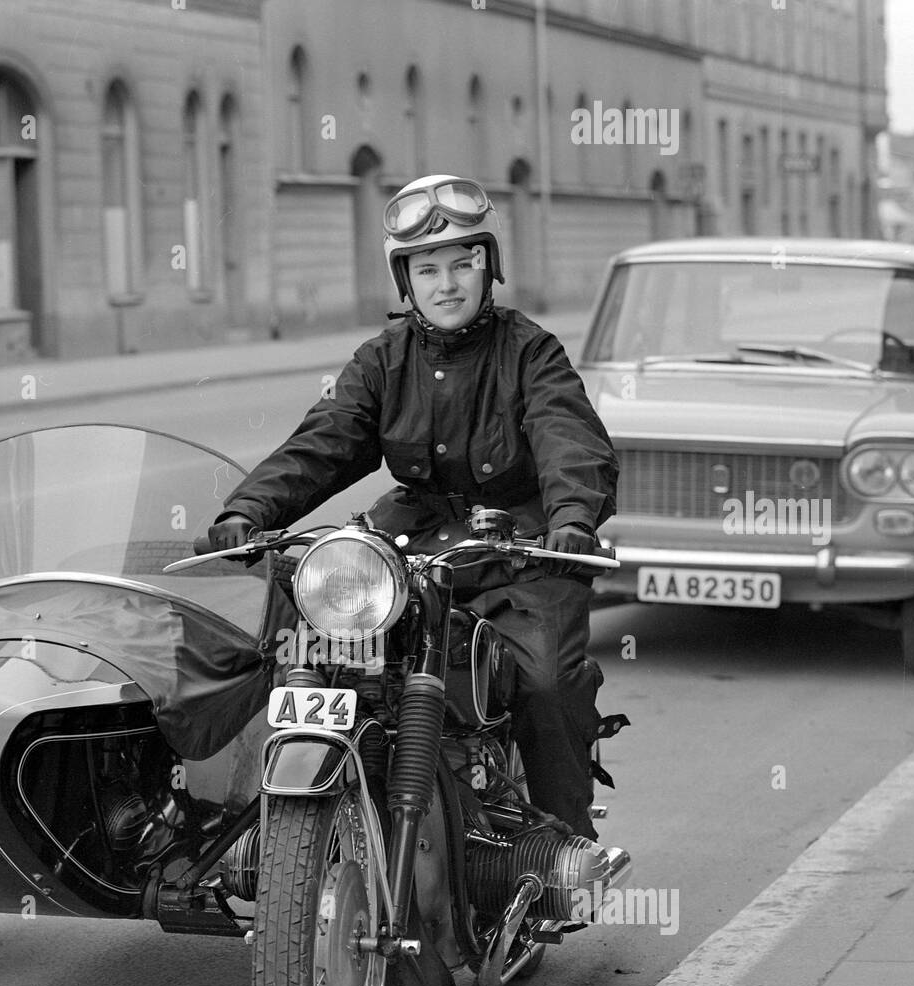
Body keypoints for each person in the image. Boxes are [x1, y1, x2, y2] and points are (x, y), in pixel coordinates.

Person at [202, 173, 618, 841]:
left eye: (462, 263)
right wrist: (246, 512)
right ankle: (239, 814)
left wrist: (571, 521)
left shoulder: (531, 351)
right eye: (428, 268)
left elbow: (567, 439)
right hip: (414, 537)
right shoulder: (384, 359)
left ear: (489, 268)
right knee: (287, 624)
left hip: (522, 550)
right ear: (407, 280)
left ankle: (559, 844)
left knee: (546, 681)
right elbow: (325, 441)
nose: (446, 283)